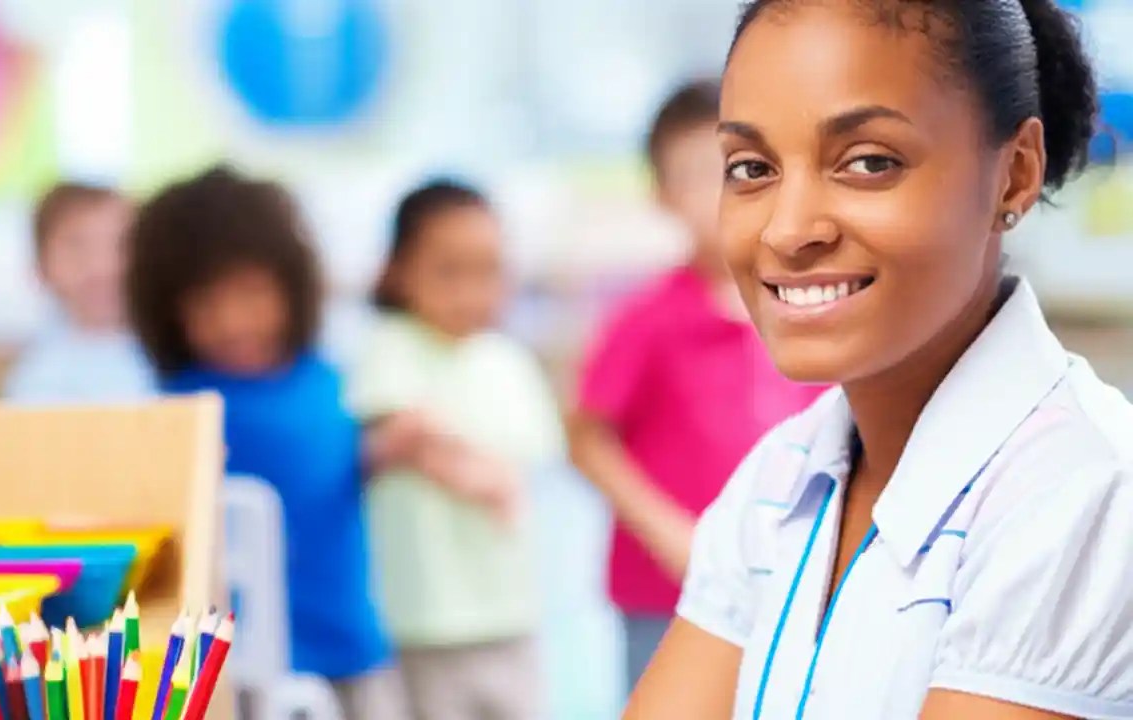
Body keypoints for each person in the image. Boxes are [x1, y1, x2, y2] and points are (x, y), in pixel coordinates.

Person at [628, 1, 1133, 719]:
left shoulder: (1086, 498)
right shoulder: (779, 480)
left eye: (869, 162)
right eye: (751, 168)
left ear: (1015, 174)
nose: (788, 231)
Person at [569, 79, 822, 689]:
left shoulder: (811, 306)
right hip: (669, 595)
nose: (721, 194)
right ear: (661, 194)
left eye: (741, 170)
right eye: (697, 176)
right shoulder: (645, 320)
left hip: (787, 588)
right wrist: (669, 533)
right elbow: (586, 436)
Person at [126, 167, 404, 720]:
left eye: (252, 293)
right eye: (205, 303)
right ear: (168, 310)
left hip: (352, 653)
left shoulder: (332, 383)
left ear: (291, 286)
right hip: (243, 673)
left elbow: (344, 466)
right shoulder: (181, 410)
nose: (232, 322)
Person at [347, 179, 564, 720]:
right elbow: (398, 435)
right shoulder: (390, 347)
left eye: (487, 271)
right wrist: (477, 475)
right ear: (399, 270)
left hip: (508, 612)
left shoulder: (507, 361)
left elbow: (528, 463)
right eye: (448, 271)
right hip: (423, 619)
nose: (470, 291)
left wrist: (460, 460)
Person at [3, 182, 155, 403]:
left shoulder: (177, 349)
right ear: (41, 268)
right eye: (77, 248)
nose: (103, 267)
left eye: (121, 244)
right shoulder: (38, 379)